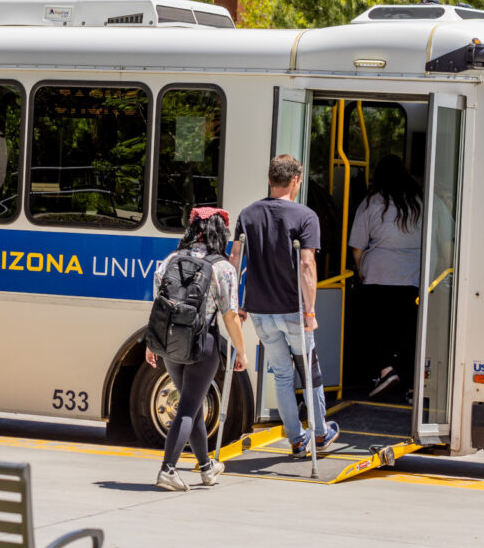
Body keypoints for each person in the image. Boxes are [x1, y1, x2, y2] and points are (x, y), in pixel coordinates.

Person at [235, 154, 341, 457]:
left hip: (260, 311)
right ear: (296, 180)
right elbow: (307, 265)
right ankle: (319, 434)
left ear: (270, 179)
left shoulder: (248, 214)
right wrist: (310, 311)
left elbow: (236, 259)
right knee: (310, 372)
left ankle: (296, 439)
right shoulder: (305, 216)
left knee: (281, 374)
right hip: (293, 309)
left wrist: (237, 303)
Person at [145, 208, 248, 491]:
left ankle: (206, 467)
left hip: (170, 345)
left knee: (193, 401)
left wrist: (151, 343)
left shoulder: (169, 260)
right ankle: (168, 469)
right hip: (204, 345)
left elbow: (159, 304)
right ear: (220, 232)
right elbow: (229, 315)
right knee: (189, 407)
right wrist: (241, 350)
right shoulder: (223, 267)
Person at [348, 154, 424, 397]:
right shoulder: (421, 201)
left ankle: (386, 371)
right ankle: (412, 383)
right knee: (409, 330)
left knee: (377, 327)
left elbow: (357, 246)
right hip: (414, 276)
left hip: (379, 274)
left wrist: (361, 271)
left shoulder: (371, 203)